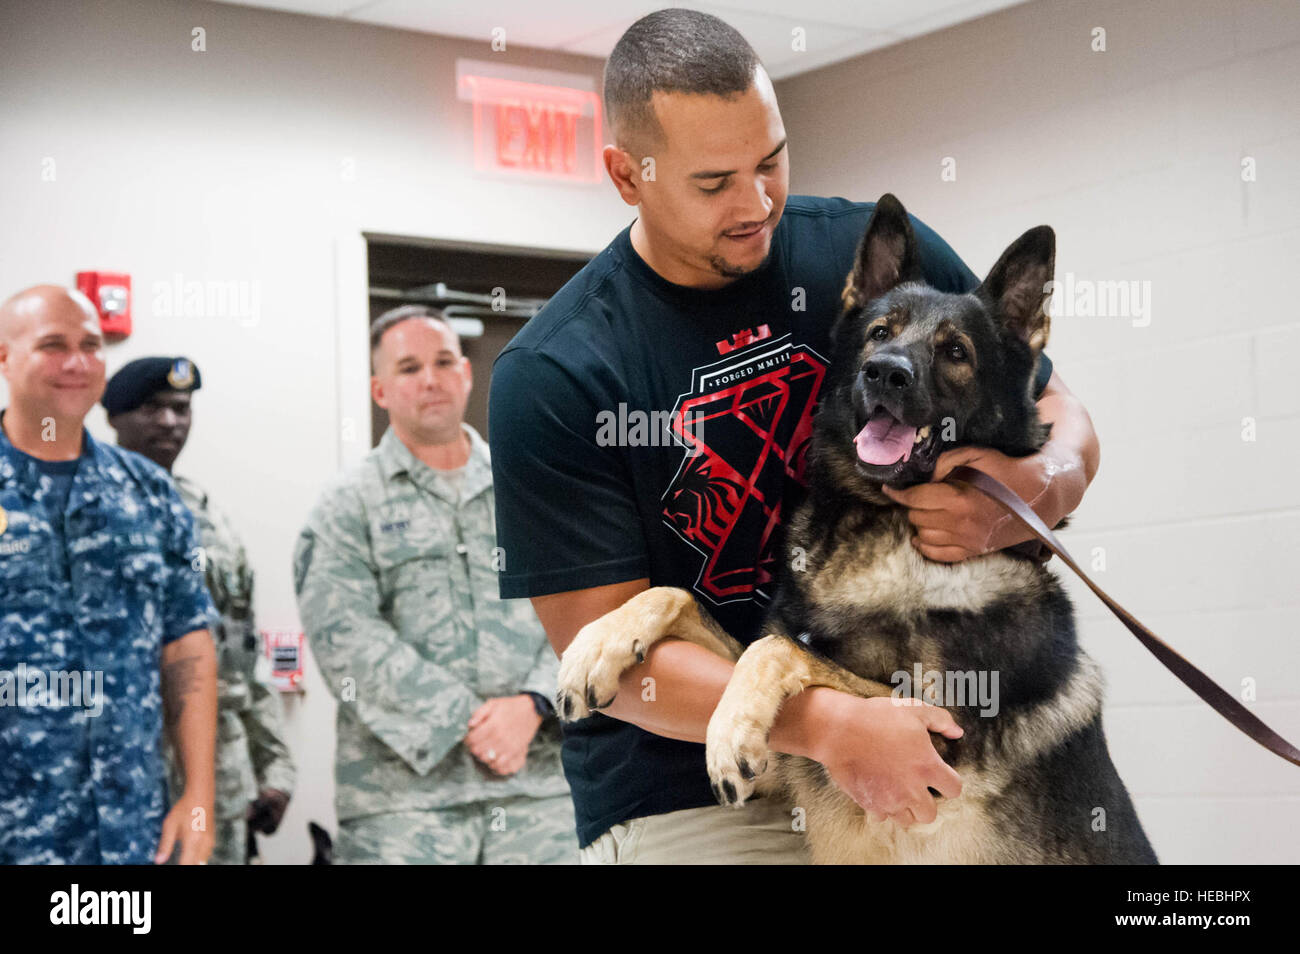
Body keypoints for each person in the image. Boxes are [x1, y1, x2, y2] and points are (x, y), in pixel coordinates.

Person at [488, 9, 1103, 864]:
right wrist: (835, 726)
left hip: (909, 718)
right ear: (628, 176)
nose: (756, 204)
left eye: (771, 160)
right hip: (696, 789)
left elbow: (1066, 421)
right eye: (713, 184)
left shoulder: (865, 249)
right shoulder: (555, 373)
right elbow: (615, 671)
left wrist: (1030, 498)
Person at [293, 306, 573, 864]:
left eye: (444, 361)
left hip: (538, 794)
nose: (430, 379)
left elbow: (583, 606)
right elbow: (346, 639)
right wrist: (468, 719)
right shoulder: (347, 506)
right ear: (379, 389)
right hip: (401, 806)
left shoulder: (530, 491)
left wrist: (536, 702)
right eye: (408, 367)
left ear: (467, 374)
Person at [0, 285, 218, 865]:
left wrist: (198, 797)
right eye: (53, 345)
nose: (76, 362)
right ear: (4, 357)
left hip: (132, 832)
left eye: (91, 345)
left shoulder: (149, 492)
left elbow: (187, 644)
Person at [104, 355, 297, 866]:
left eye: (181, 409)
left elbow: (241, 647)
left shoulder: (213, 521)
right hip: (118, 771)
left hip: (217, 773)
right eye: (152, 408)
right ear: (113, 417)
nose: (170, 422)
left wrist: (274, 767)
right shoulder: (83, 507)